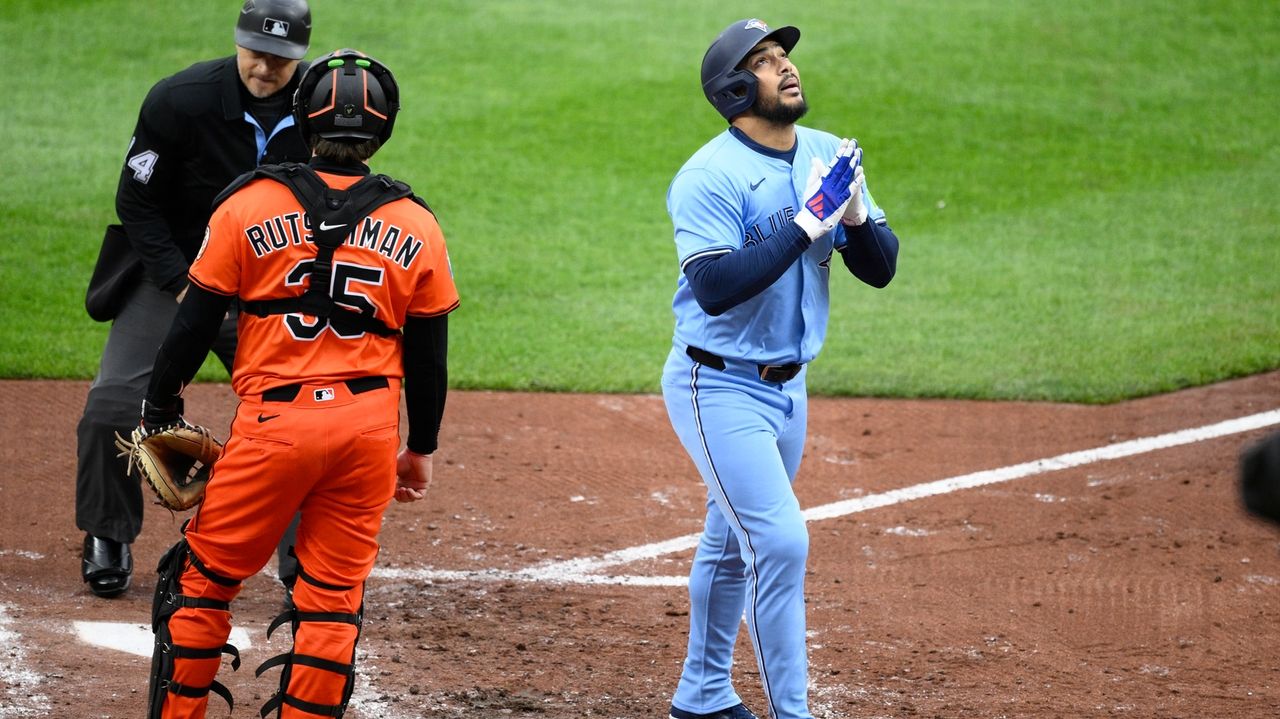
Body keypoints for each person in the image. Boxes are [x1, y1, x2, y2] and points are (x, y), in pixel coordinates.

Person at [136, 48, 458, 718]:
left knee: (201, 582)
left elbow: (192, 326)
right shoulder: (417, 224)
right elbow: (429, 359)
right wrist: (419, 447)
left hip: (274, 429)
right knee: (332, 601)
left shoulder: (247, 205)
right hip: (368, 434)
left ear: (302, 121)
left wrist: (159, 405)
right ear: (383, 130)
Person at [660, 19, 900, 719]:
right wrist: (806, 222)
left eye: (784, 56)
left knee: (731, 543)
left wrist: (853, 216)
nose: (786, 67)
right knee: (779, 541)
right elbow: (713, 286)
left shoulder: (826, 152)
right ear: (736, 87)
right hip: (717, 383)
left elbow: (879, 270)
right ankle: (792, 713)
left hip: (789, 388)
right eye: (765, 62)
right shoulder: (709, 175)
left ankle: (701, 695)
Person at [77, 0, 313, 599]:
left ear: (302, 56)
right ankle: (108, 533)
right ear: (238, 41)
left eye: (281, 59)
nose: (265, 67)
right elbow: (136, 203)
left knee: (302, 417)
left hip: (268, 288)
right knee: (112, 404)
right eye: (257, 52)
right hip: (174, 277)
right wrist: (185, 283)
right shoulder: (181, 99)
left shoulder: (319, 109)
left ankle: (304, 558)